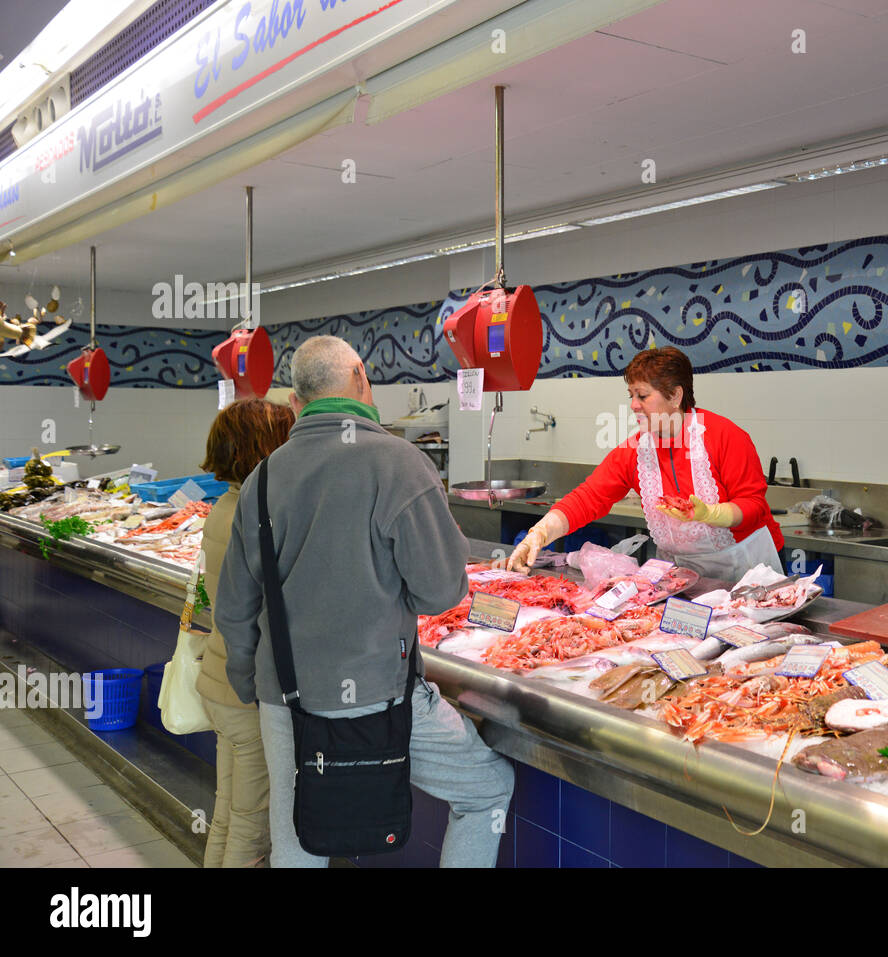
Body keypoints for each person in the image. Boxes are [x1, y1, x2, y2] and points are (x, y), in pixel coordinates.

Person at [216, 335, 514, 867]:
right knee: (485, 788)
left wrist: (251, 683)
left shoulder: (262, 479)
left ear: (296, 403)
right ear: (361, 380)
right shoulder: (401, 463)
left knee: (296, 834)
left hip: (284, 696)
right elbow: (442, 589)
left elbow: (235, 606)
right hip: (379, 696)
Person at [508, 346, 783, 580]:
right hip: (686, 578)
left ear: (675, 396)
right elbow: (588, 497)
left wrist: (710, 514)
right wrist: (540, 532)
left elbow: (753, 505)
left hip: (748, 574)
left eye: (643, 395)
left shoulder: (726, 437)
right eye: (631, 396)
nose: (634, 405)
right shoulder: (635, 450)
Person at [195, 397, 295, 867]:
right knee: (252, 830)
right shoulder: (256, 515)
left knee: (228, 813)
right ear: (266, 448)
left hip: (219, 683)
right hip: (247, 693)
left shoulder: (227, 503)